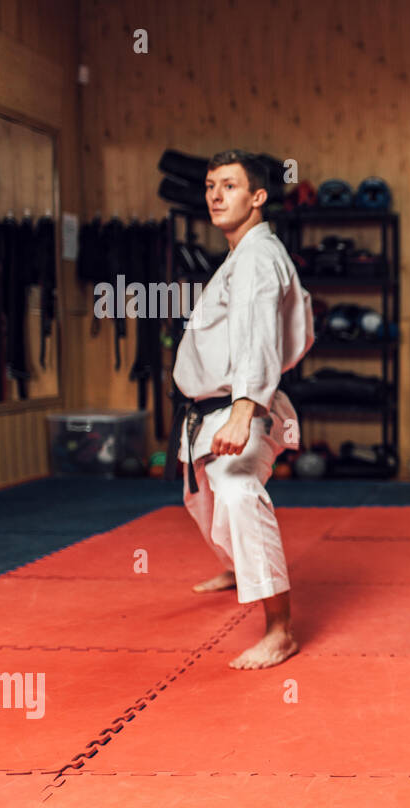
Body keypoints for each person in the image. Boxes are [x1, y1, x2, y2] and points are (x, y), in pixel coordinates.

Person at [172, 149, 313, 669]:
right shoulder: (245, 254)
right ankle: (237, 568)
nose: (215, 194)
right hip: (210, 408)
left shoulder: (256, 256)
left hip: (241, 404)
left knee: (235, 490)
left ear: (257, 197)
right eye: (210, 185)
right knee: (200, 500)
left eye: (229, 185)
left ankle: (279, 628)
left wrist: (242, 408)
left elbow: (257, 338)